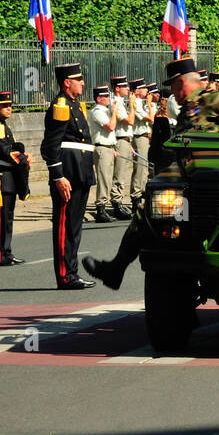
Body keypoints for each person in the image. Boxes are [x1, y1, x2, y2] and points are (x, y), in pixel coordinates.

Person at [83, 57, 219, 290]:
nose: (172, 92)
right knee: (147, 212)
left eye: (173, 86)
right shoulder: (187, 108)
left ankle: (117, 269)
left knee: (148, 214)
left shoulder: (208, 98)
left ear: (182, 83)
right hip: (186, 179)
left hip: (205, 181)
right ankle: (117, 268)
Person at [40, 63, 95, 289]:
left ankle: (72, 273)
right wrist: (58, 176)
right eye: (78, 79)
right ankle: (65, 275)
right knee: (65, 226)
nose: (82, 83)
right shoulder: (60, 105)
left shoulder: (76, 105)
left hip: (80, 170)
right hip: (68, 174)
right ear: (66, 83)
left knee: (74, 227)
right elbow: (51, 145)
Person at [0, 92, 31, 266]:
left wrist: (21, 154)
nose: (9, 108)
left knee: (8, 217)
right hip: (2, 175)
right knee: (1, 218)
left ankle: (6, 251)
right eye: (4, 106)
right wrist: (22, 157)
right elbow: (4, 150)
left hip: (9, 176)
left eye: (9, 105)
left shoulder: (1, 124)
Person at [88, 84, 117, 223]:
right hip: (102, 148)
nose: (108, 98)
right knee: (104, 178)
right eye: (105, 96)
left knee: (109, 178)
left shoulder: (104, 111)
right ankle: (101, 207)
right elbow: (110, 127)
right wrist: (115, 112)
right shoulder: (97, 111)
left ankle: (104, 206)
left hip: (109, 147)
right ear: (99, 98)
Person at [109, 75, 135, 219]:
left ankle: (119, 200)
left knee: (123, 173)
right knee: (118, 174)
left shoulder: (120, 102)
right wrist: (132, 104)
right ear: (117, 89)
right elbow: (130, 121)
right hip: (119, 140)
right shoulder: (116, 103)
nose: (128, 89)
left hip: (125, 139)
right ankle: (116, 202)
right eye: (124, 87)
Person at [130, 77, 154, 213]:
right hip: (139, 138)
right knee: (140, 168)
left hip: (145, 137)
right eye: (143, 88)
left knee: (144, 168)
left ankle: (141, 195)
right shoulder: (136, 104)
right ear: (137, 91)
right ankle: (136, 196)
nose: (146, 90)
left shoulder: (142, 103)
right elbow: (150, 118)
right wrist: (150, 104)